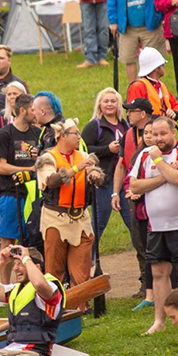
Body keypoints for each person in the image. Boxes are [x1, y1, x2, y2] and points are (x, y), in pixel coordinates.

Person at [128, 117, 178, 335]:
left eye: (162, 134)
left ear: (173, 132)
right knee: (158, 272)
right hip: (156, 225)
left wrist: (159, 163)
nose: (158, 139)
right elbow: (135, 185)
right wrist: (164, 174)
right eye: (154, 134)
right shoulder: (144, 154)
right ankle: (160, 320)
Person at [36, 119, 104, 287]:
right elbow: (51, 181)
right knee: (54, 268)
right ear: (63, 136)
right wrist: (76, 169)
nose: (80, 137)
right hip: (55, 219)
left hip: (80, 218)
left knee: (81, 268)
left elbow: (93, 171)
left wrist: (95, 175)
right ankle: (56, 305)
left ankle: (79, 304)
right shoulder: (48, 158)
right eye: (75, 134)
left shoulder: (83, 156)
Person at [112, 97, 155, 297]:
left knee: (157, 242)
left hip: (154, 199)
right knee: (139, 242)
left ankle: (164, 283)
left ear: (144, 114)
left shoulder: (159, 132)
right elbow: (122, 165)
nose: (128, 114)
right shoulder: (128, 134)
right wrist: (116, 192)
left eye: (132, 111)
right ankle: (145, 284)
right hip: (134, 197)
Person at [84, 88, 132, 261]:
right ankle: (88, 262)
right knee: (98, 224)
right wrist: (107, 149)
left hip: (125, 180)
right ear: (100, 105)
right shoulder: (94, 125)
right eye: (106, 101)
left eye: (113, 101)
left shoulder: (126, 125)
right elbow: (83, 149)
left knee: (132, 222)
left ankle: (146, 262)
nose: (110, 104)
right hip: (103, 182)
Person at [0, 93, 39, 247]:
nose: (35, 113)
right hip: (11, 193)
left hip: (33, 193)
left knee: (32, 239)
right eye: (32, 109)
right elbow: (0, 167)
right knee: (8, 241)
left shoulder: (38, 134)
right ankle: (4, 272)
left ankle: (27, 272)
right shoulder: (5, 133)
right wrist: (29, 169)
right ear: (23, 111)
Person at [125, 47, 178, 120]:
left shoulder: (160, 85)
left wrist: (173, 112)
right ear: (156, 68)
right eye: (162, 65)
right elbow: (135, 115)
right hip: (148, 129)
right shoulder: (138, 87)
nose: (164, 67)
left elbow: (176, 106)